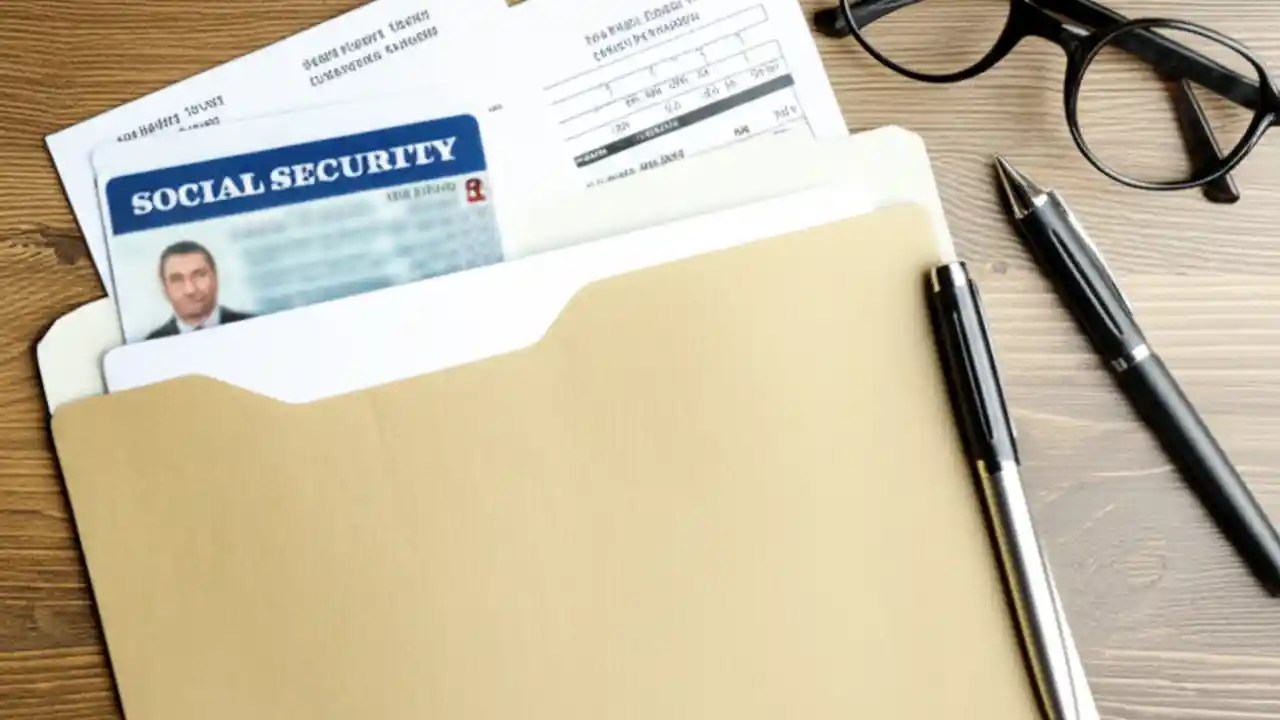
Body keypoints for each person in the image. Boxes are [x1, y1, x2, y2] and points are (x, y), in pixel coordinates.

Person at [146, 241, 253, 340]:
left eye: (199, 275)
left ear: (216, 278)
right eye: (177, 280)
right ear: (165, 289)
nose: (190, 290)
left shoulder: (252, 325)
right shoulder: (150, 344)